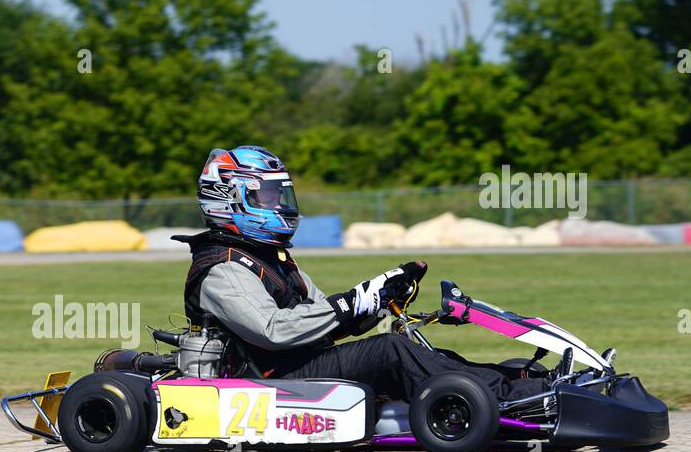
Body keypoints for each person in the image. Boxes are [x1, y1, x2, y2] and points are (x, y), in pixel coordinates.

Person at [176, 145, 547, 403]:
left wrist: (379, 304)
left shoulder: (270, 258)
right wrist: (351, 302)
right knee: (391, 351)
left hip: (299, 367)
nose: (279, 205)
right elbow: (275, 331)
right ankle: (508, 399)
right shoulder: (222, 267)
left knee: (416, 350)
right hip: (270, 382)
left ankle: (516, 380)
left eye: (280, 196)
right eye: (270, 197)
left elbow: (325, 320)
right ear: (233, 197)